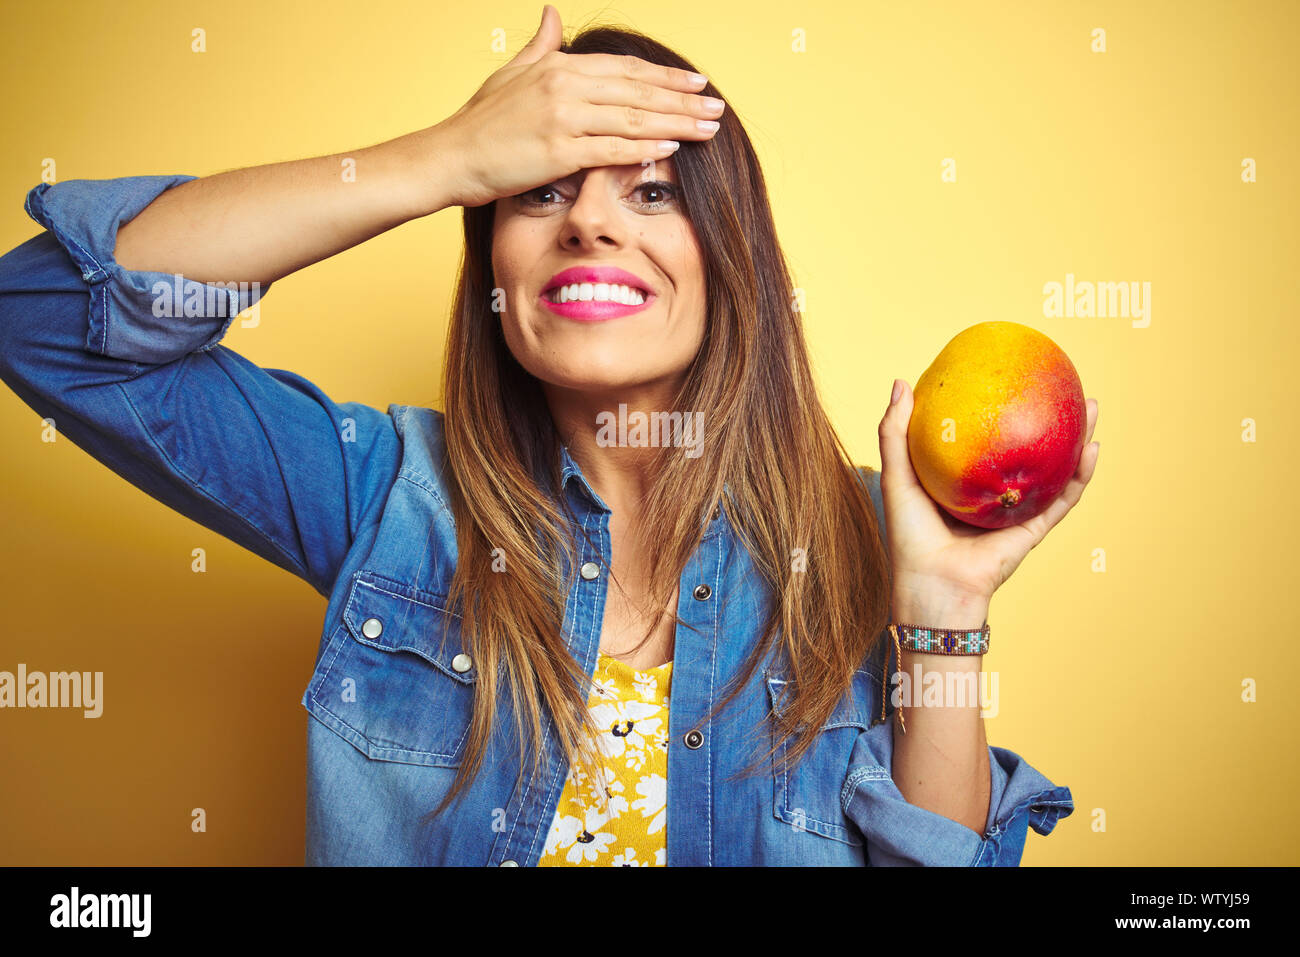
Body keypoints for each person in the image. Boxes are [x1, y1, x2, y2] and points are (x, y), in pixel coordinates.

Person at [0, 6, 1098, 866]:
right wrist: (437, 161)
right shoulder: (390, 498)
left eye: (654, 193)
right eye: (538, 192)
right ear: (492, 267)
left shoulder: (864, 539)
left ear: (730, 264)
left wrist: (943, 617)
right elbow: (44, 318)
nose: (590, 220)